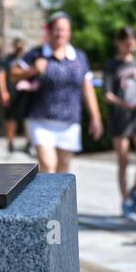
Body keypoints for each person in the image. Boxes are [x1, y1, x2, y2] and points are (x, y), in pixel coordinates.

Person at [10, 11, 103, 174]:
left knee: (63, 170)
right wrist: (32, 70)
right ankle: (46, 199)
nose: (60, 33)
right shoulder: (37, 53)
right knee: (48, 164)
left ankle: (57, 200)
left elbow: (87, 87)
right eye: (57, 29)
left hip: (69, 121)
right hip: (40, 119)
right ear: (50, 31)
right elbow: (13, 75)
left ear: (69, 32)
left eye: (64, 29)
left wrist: (95, 116)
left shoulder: (79, 57)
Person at [105, 26, 136, 221]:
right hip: (120, 117)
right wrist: (122, 103)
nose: (128, 43)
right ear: (118, 42)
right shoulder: (112, 65)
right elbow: (107, 94)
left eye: (131, 40)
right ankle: (125, 200)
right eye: (125, 40)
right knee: (123, 160)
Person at [0, 38, 28, 152]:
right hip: (12, 92)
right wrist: (4, 92)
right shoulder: (8, 60)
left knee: (26, 119)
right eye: (17, 47)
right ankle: (10, 143)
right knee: (11, 119)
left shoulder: (26, 59)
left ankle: (28, 144)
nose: (19, 49)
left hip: (25, 93)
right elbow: (1, 76)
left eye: (21, 47)